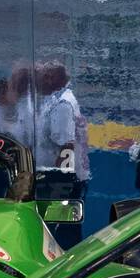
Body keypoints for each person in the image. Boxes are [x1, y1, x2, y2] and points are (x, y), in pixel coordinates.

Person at [39, 62, 90, 198]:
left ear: (50, 79)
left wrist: (60, 183)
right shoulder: (61, 99)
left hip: (60, 184)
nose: (37, 82)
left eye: (41, 78)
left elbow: (67, 146)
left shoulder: (62, 105)